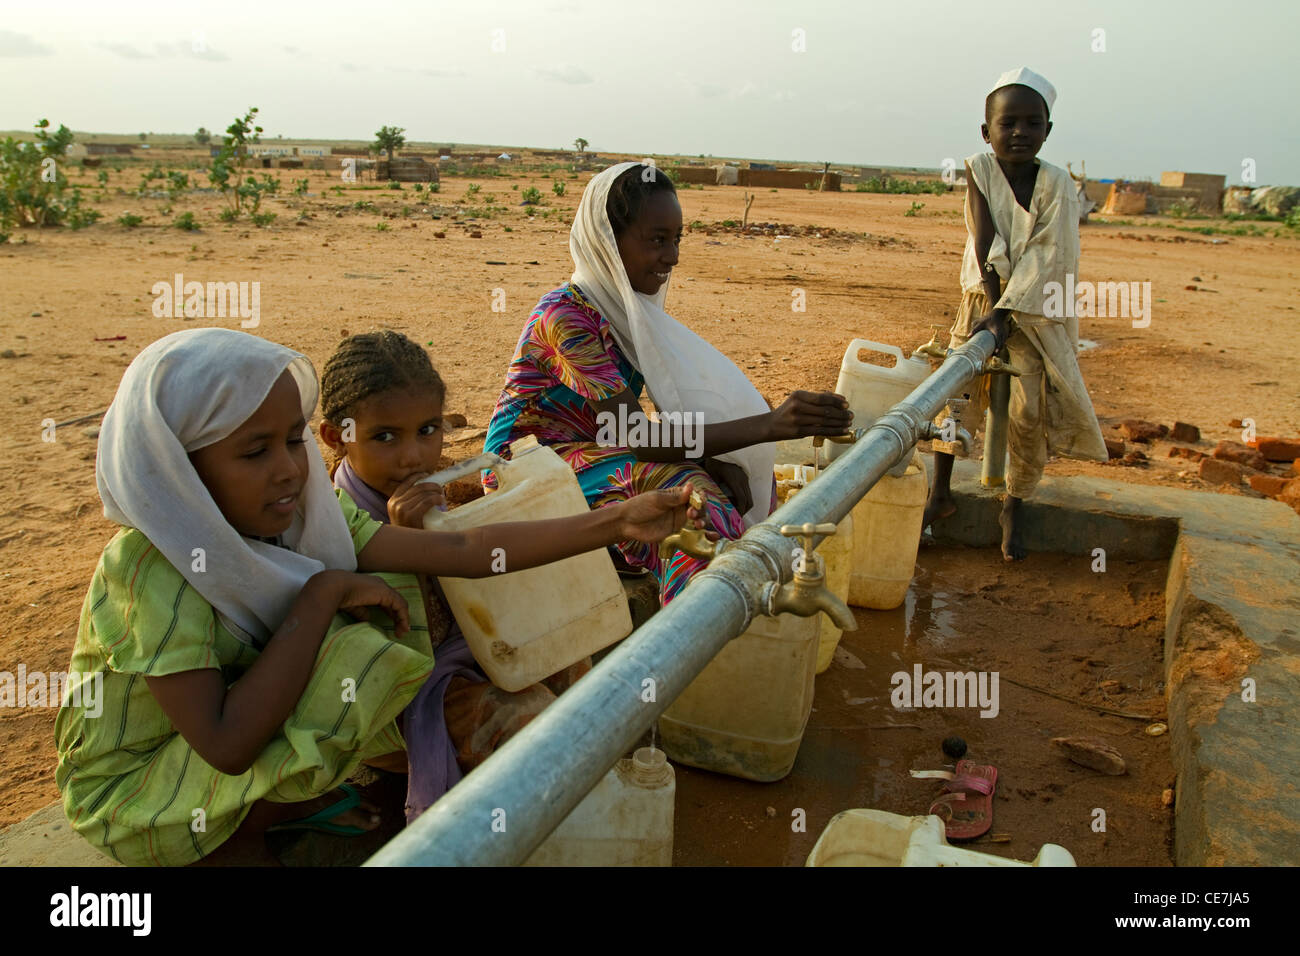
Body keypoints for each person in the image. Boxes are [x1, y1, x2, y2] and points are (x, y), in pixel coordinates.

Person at [54, 328, 696, 866]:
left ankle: (287, 806)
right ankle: (254, 821)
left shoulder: (307, 523)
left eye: (291, 442)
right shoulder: (147, 570)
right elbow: (225, 744)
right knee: (359, 649)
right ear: (177, 469)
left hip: (238, 725)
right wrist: (324, 590)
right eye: (255, 451)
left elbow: (466, 553)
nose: (288, 469)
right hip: (142, 784)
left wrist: (617, 522)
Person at [484, 161, 853, 604]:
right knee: (685, 506)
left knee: (717, 482)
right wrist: (769, 425)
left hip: (595, 449)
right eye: (657, 240)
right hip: (526, 467)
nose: (673, 256)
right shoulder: (566, 318)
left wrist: (714, 459)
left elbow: (633, 427)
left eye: (677, 239)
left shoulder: (623, 311)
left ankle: (729, 609)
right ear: (608, 242)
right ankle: (696, 626)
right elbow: (636, 437)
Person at [318, 329, 591, 821]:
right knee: (529, 720)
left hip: (464, 655)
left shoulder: (424, 493)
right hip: (401, 701)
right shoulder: (339, 528)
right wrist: (416, 548)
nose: (414, 456)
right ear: (338, 437)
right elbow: (399, 656)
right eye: (385, 437)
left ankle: (584, 796)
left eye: (427, 430)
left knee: (574, 656)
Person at [923, 67, 1107, 560]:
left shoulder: (1057, 184)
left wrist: (1009, 312)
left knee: (1028, 409)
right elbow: (984, 238)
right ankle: (940, 492)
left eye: (1032, 123)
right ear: (988, 131)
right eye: (1008, 123)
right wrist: (993, 305)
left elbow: (1050, 254)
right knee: (955, 392)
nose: (1020, 133)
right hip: (982, 299)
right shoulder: (979, 168)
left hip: (1034, 306)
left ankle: (1015, 502)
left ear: (1048, 130)